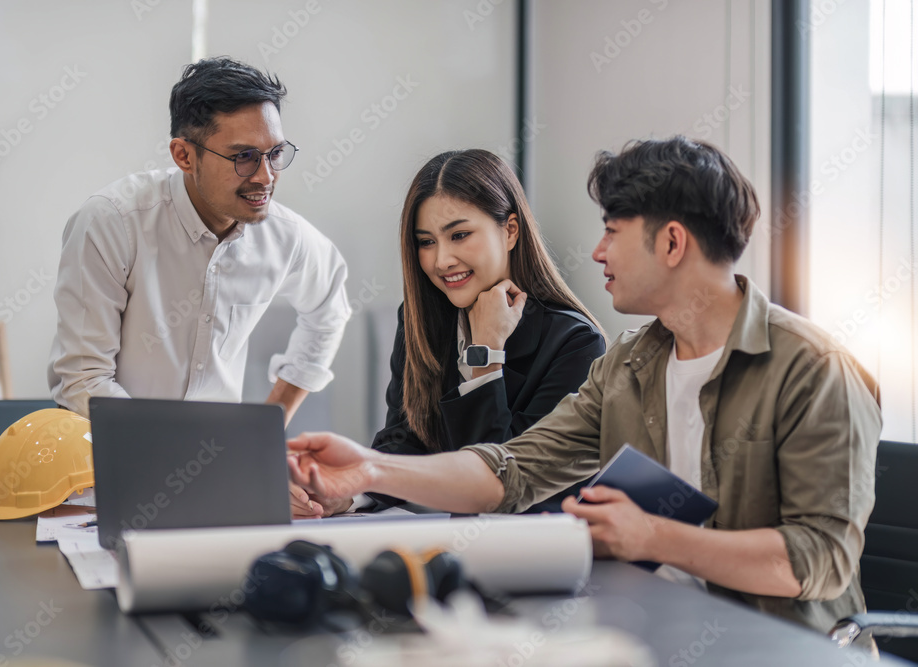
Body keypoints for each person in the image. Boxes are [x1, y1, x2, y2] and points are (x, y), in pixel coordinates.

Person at [287, 136, 882, 640]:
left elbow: (817, 561)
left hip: (771, 640)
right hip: (646, 625)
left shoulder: (814, 369)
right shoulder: (628, 364)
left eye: (613, 231)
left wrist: (653, 536)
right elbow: (510, 471)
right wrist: (369, 471)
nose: (597, 252)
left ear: (672, 243)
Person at [46, 58, 351, 514]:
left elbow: (330, 307)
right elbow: (84, 379)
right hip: (111, 478)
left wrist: (266, 429)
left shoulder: (285, 235)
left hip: (222, 474)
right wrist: (209, 468)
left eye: (275, 153)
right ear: (184, 156)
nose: (265, 176)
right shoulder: (112, 223)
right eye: (244, 156)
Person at [297, 149, 606, 518]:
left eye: (459, 235)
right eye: (426, 242)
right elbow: (406, 440)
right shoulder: (420, 319)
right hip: (445, 541)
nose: (441, 260)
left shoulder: (575, 342)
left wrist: (485, 353)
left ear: (510, 231)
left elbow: (504, 484)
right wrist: (349, 494)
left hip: (526, 553)